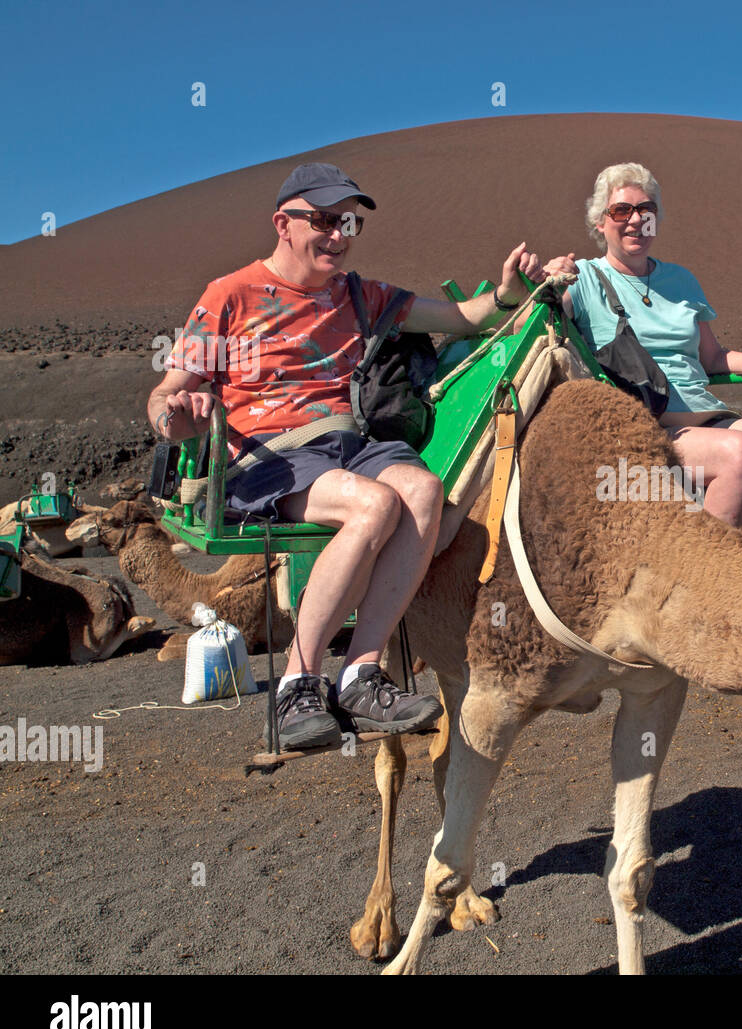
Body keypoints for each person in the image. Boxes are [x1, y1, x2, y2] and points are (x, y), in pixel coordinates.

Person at [147, 162, 544, 749]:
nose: (338, 235)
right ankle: (297, 685)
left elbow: (463, 316)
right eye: (325, 221)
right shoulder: (229, 296)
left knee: (423, 491)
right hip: (268, 456)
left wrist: (508, 294)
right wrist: (179, 414)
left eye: (348, 223)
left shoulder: (359, 296)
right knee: (373, 506)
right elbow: (165, 400)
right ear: (283, 223)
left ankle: (361, 673)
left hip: (349, 444)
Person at [544, 162, 742, 527]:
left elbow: (713, 358)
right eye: (621, 210)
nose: (636, 220)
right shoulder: (584, 278)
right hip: (642, 429)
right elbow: (532, 326)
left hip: (706, 422)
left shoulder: (681, 280)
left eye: (647, 210)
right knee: (738, 452)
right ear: (600, 223)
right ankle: (712, 577)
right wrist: (546, 286)